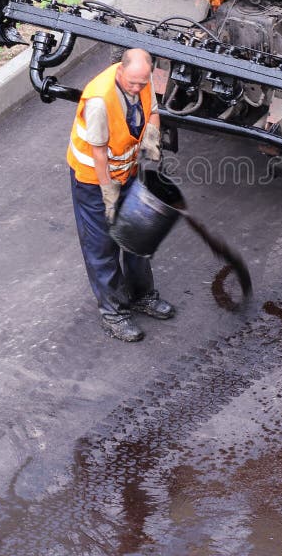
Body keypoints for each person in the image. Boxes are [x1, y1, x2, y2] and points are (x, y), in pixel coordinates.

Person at [67, 48, 175, 342]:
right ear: (120, 70)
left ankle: (142, 296)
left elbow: (153, 111)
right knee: (102, 246)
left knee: (137, 234)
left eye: (142, 83)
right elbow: (99, 152)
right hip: (94, 180)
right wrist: (109, 193)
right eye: (132, 83)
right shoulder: (99, 100)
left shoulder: (142, 80)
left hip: (127, 172)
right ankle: (113, 313)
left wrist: (152, 137)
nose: (137, 88)